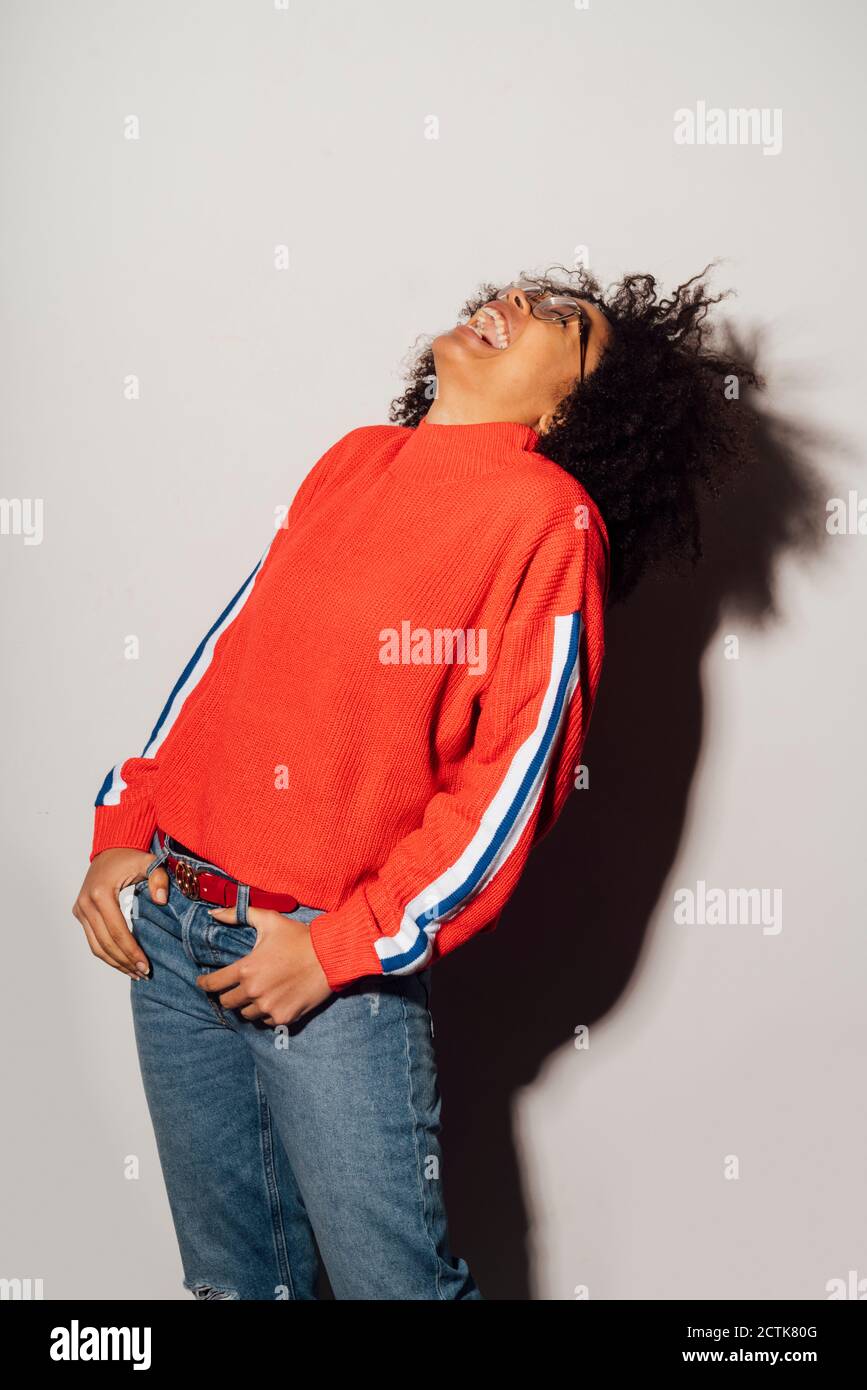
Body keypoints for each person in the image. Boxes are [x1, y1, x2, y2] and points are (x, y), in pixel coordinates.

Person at [72, 266, 756, 1300]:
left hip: (322, 967)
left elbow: (510, 791)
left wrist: (335, 951)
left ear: (572, 403)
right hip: (172, 928)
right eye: (525, 290)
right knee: (230, 1286)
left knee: (398, 1290)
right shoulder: (357, 460)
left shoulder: (549, 521)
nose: (518, 303)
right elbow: (232, 653)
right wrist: (129, 815)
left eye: (561, 322)